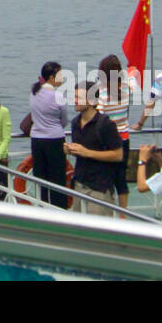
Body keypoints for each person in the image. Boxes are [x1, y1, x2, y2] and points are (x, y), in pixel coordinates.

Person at [65, 82, 123, 216]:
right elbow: (82, 150)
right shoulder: (75, 123)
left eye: (78, 98)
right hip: (79, 183)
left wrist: (87, 153)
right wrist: (71, 150)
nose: (75, 100)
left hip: (99, 187)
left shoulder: (105, 125)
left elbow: (118, 155)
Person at [96, 53, 136, 212]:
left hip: (107, 140)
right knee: (121, 177)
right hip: (124, 138)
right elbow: (134, 78)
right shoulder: (127, 88)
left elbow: (99, 115)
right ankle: (123, 213)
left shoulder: (101, 92)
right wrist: (131, 70)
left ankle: (109, 209)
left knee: (106, 176)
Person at [29, 61, 71, 208]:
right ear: (52, 77)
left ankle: (42, 209)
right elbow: (64, 120)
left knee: (41, 179)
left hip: (37, 140)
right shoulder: (58, 95)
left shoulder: (34, 92)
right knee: (57, 180)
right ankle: (59, 211)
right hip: (54, 140)